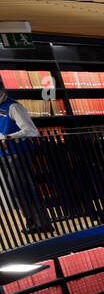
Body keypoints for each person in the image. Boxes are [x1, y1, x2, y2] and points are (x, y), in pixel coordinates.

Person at [0, 88, 50, 233]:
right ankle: (32, 222)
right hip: (4, 154)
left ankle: (42, 224)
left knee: (22, 189)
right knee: (16, 191)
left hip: (19, 153)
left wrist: (7, 138)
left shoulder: (14, 107)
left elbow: (31, 131)